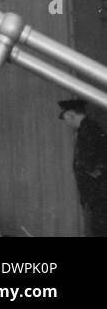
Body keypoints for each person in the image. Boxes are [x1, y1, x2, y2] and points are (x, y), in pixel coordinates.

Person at [58, 97, 107, 236]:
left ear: (71, 115)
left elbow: (89, 161)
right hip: (96, 193)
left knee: (98, 229)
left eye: (66, 118)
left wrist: (92, 175)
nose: (67, 122)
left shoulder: (88, 130)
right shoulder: (89, 128)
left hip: (97, 194)